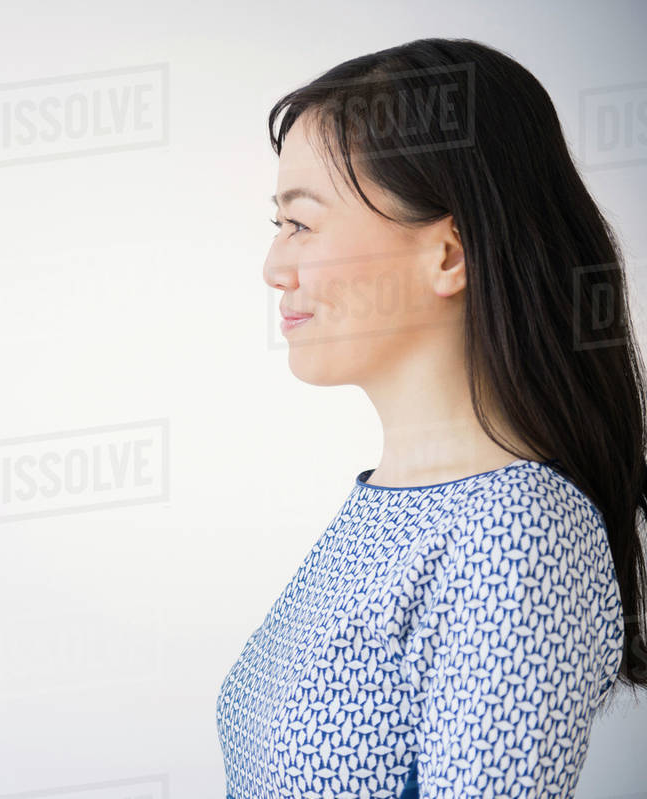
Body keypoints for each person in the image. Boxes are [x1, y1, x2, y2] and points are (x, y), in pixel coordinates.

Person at [217, 37, 647, 798]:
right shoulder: (389, 505)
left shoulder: (518, 532)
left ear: (448, 254)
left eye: (302, 224)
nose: (274, 267)